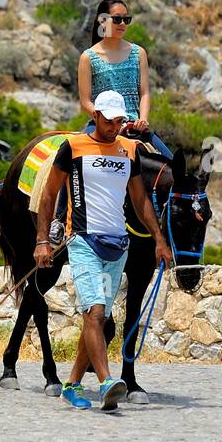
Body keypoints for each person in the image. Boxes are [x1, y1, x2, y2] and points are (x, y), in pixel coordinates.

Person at [34, 89, 172, 411]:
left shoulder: (130, 150)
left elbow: (139, 199)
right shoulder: (73, 147)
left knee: (96, 319)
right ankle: (107, 380)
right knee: (95, 313)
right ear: (95, 116)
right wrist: (43, 240)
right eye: (108, 120)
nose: (113, 126)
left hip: (117, 246)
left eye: (118, 120)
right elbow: (49, 193)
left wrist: (159, 239)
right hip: (83, 241)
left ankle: (70, 385)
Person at [77, 0, 172, 160]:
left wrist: (143, 119)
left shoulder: (138, 53)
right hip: (101, 125)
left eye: (126, 19)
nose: (122, 24)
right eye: (117, 19)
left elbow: (144, 93)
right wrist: (107, 120)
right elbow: (85, 102)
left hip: (135, 126)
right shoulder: (88, 57)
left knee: (173, 166)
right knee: (74, 161)